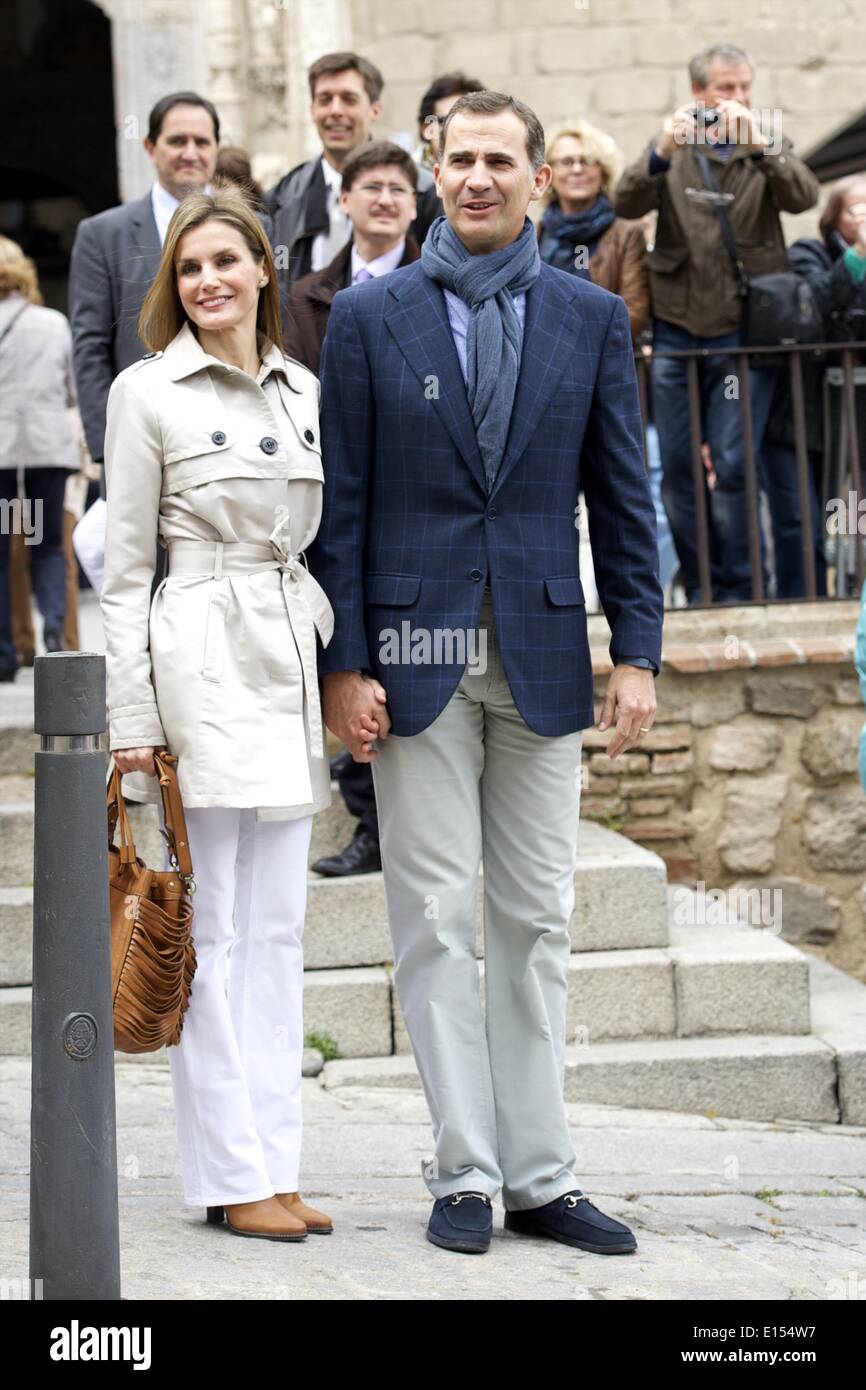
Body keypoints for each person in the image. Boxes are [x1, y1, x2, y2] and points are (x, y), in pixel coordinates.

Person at [308, 90, 663, 1256]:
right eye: (455, 159)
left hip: (545, 656)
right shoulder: (370, 320)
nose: (475, 178)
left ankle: (541, 1176)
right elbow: (343, 509)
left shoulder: (587, 315)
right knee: (431, 918)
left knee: (534, 919)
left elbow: (623, 494)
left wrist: (640, 654)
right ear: (429, 170)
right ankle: (462, 1171)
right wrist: (344, 663)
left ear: (530, 174)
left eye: (496, 160)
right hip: (412, 667)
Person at [100, 186, 336, 1243]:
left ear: (261, 271)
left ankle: (274, 1165)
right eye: (188, 268)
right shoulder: (145, 392)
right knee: (213, 932)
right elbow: (122, 573)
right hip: (195, 655)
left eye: (224, 263)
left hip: (284, 653)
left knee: (279, 930)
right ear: (173, 285)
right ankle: (229, 1172)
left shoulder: (303, 390)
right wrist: (130, 721)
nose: (207, 282)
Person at [615, 41, 819, 603]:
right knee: (678, 467)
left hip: (741, 327)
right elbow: (625, 202)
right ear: (699, 93)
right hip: (678, 325)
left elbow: (804, 196)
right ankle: (701, 583)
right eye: (727, 89)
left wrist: (766, 145)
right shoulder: (676, 148)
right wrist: (658, 151)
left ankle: (744, 585)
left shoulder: (764, 141)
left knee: (732, 463)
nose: (739, 99)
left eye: (745, 87)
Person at [286, 140, 421, 877]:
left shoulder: (441, 289)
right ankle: (368, 818)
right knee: (343, 658)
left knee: (403, 664)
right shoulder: (305, 298)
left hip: (411, 504)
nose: (384, 199)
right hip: (329, 501)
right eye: (370, 187)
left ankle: (404, 824)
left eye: (398, 189)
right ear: (344, 201)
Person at [265, 51, 440, 315]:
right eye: (325, 100)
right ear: (312, 110)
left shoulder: (425, 191)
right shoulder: (282, 198)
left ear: (375, 109)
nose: (336, 111)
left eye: (349, 99)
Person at [0, 237, 81, 680]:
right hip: (47, 451)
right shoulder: (52, 323)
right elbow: (70, 390)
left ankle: (5, 653)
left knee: (3, 547)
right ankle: (54, 633)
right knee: (47, 544)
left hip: (3, 459)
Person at [538, 119, 649, 341]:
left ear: (603, 172)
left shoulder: (626, 233)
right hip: (547, 362)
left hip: (604, 358)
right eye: (567, 161)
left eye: (588, 161)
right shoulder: (538, 232)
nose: (577, 169)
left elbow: (634, 314)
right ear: (548, 174)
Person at [414, 70, 486, 173]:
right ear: (426, 127)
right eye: (446, 120)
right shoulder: (403, 179)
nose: (458, 129)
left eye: (469, 121)